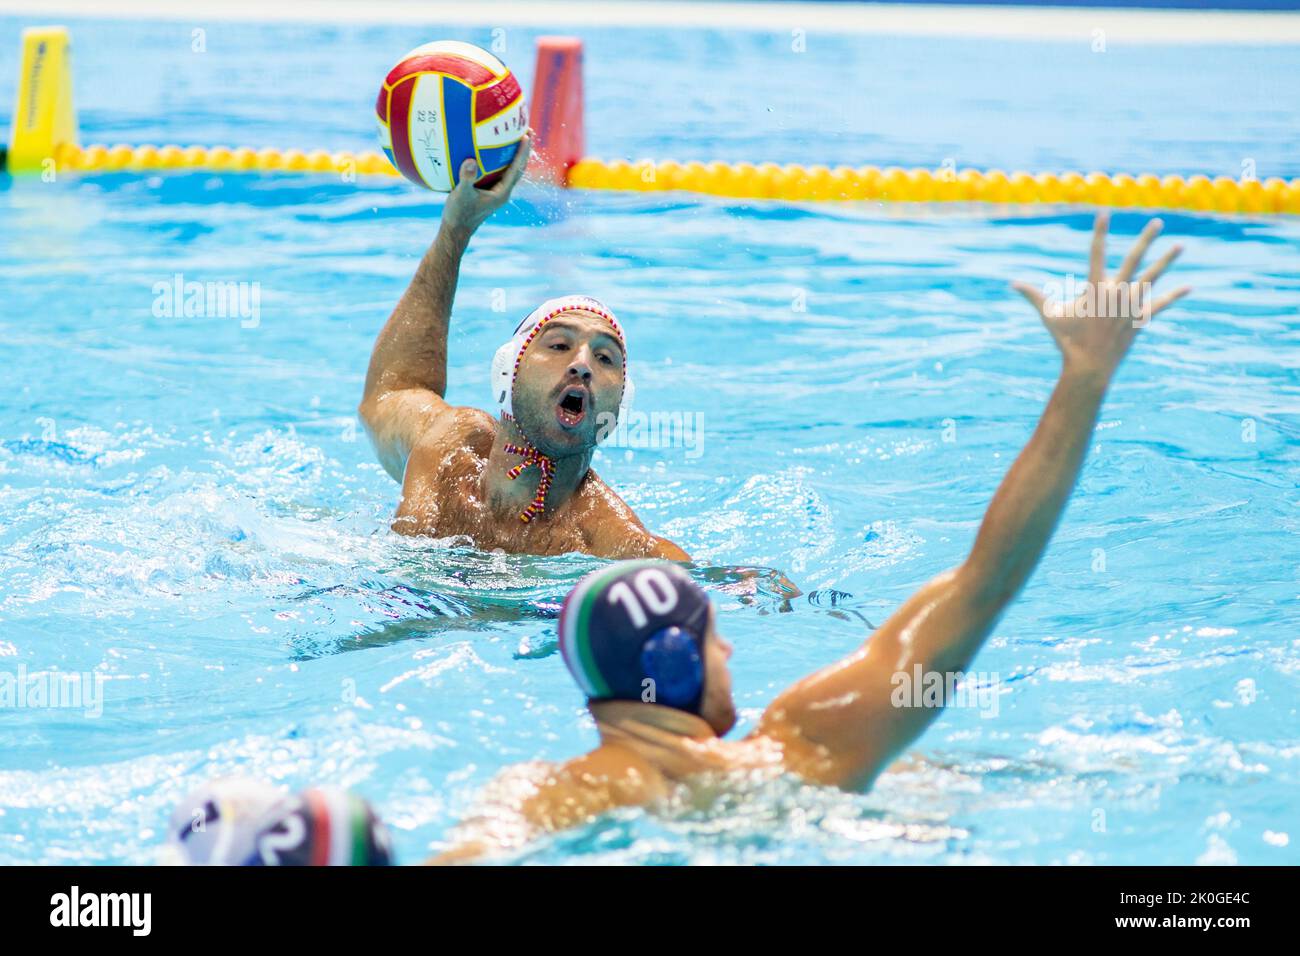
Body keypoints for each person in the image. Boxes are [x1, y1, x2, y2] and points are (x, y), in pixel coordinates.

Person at [430, 213, 1190, 863]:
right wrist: (1085, 378)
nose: (728, 650)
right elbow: (985, 580)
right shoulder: (801, 747)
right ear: (672, 660)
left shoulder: (538, 794)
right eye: (713, 640)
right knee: (932, 783)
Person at [359, 131, 688, 560]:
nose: (582, 365)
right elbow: (391, 391)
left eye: (605, 357)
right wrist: (456, 230)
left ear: (617, 409)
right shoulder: (447, 447)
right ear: (507, 373)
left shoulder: (606, 539)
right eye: (557, 346)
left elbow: (689, 581)